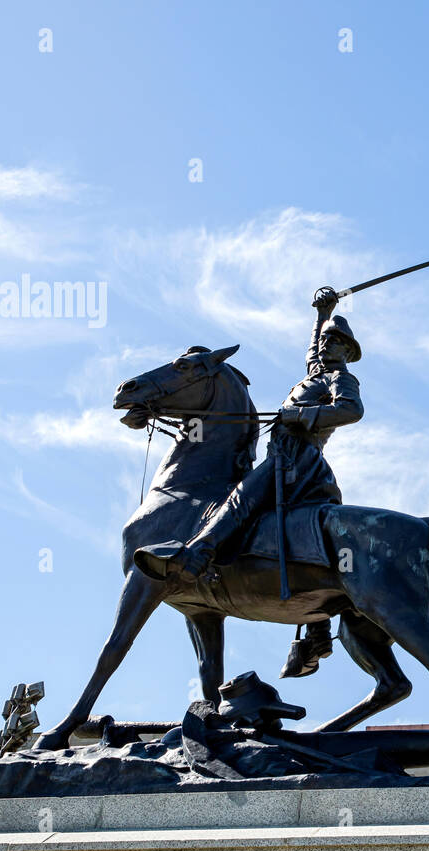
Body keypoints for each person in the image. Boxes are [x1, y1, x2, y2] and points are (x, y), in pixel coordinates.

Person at [135, 286, 363, 678]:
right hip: (283, 458)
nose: (326, 347)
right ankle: (315, 623)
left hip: (297, 461)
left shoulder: (341, 378)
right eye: (326, 341)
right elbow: (311, 352)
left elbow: (350, 411)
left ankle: (197, 554)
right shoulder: (317, 372)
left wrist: (301, 417)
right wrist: (324, 313)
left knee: (240, 500)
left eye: (335, 343)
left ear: (347, 351)